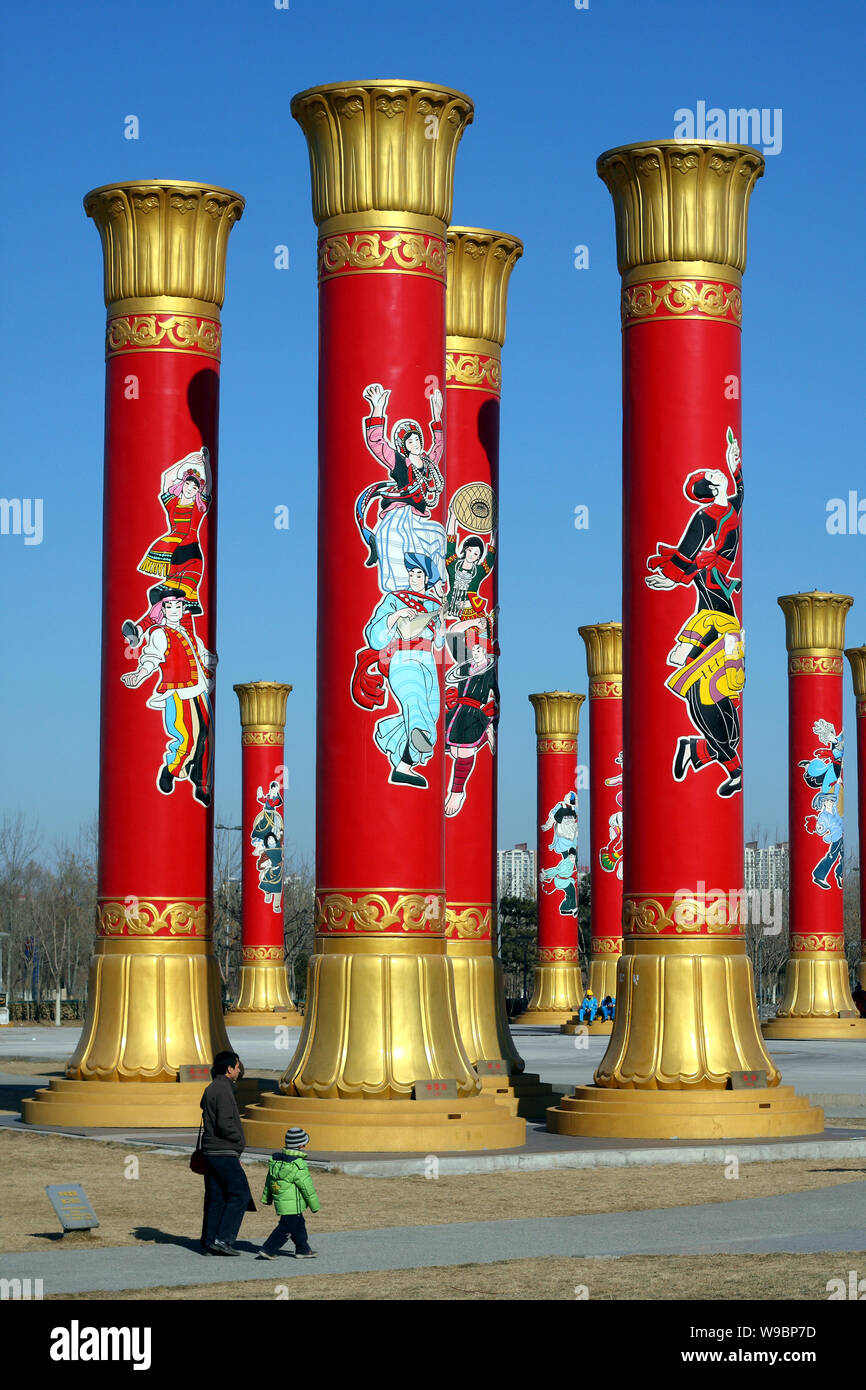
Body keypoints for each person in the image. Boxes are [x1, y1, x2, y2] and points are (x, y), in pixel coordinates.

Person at [199, 1050, 253, 1256]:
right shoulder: (223, 1090)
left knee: (216, 1197)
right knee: (240, 1194)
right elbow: (224, 1123)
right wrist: (239, 1140)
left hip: (211, 1151)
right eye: (237, 1066)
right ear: (229, 1069)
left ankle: (209, 1241)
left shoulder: (212, 1088)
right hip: (223, 1150)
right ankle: (223, 1239)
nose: (239, 1070)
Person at [257, 1127, 320, 1260]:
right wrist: (315, 1206)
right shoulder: (298, 1164)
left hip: (284, 1203)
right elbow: (307, 1188)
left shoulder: (276, 1161)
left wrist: (267, 1198)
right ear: (301, 1145)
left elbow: (269, 1182)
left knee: (299, 1223)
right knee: (286, 1227)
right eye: (305, 1144)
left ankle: (303, 1248)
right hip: (293, 1204)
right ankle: (269, 1248)